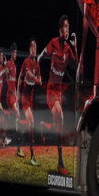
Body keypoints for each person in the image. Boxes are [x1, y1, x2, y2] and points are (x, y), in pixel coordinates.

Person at [38, 15, 78, 174]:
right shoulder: (53, 43)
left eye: (69, 27)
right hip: (50, 91)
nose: (67, 30)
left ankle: (44, 126)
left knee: (58, 125)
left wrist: (75, 47)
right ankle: (60, 164)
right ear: (60, 29)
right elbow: (41, 56)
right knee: (60, 117)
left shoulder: (68, 49)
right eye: (65, 27)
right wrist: (39, 74)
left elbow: (76, 68)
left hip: (59, 93)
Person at [18, 38, 43, 166]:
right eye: (32, 47)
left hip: (32, 98)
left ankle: (19, 142)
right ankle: (32, 156)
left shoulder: (37, 64)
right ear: (29, 49)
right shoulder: (26, 61)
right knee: (32, 122)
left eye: (36, 47)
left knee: (28, 124)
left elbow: (40, 78)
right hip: (25, 98)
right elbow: (26, 75)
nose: (34, 49)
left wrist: (39, 79)